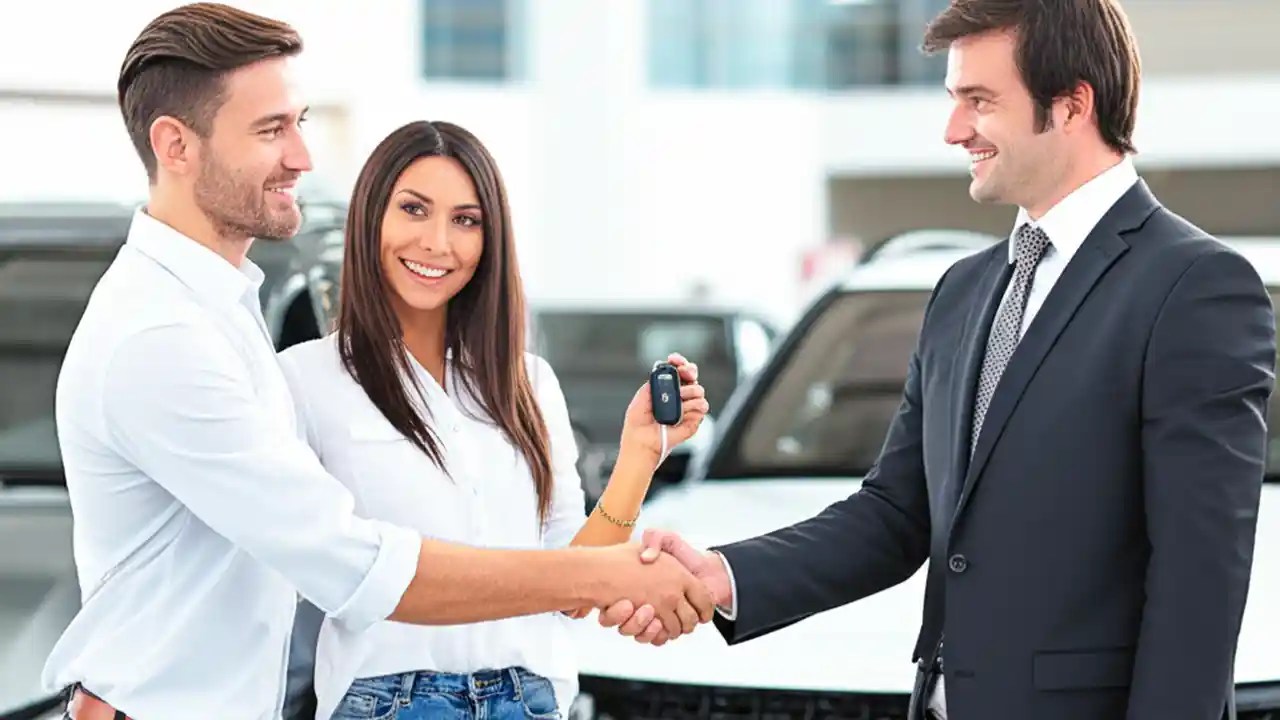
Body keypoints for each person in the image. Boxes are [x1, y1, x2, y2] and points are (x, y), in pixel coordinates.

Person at [44, 4, 710, 719]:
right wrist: (607, 574)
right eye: (273, 129)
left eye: (299, 123)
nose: (303, 156)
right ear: (176, 146)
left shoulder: (217, 314)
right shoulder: (164, 339)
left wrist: (618, 514)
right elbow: (357, 567)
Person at [628, 1, 1277, 718]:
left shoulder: (1195, 287)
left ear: (1071, 105)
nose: (953, 130)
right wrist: (723, 575)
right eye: (953, 100)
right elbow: (894, 514)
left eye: (979, 101)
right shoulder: (963, 290)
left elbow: (1199, 582)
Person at [276, 119, 712, 720]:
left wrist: (639, 454)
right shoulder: (303, 380)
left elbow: (570, 588)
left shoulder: (528, 382)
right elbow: (320, 573)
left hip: (531, 700)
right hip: (388, 703)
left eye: (465, 220)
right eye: (413, 209)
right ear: (370, 218)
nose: (437, 242)